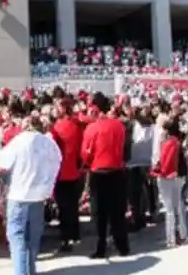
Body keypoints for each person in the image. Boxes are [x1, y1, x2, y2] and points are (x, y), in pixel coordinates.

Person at [0, 115, 62, 275]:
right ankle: (30, 268)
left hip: (19, 193)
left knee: (16, 235)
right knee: (34, 234)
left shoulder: (19, 141)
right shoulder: (48, 143)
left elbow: (2, 162)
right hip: (38, 194)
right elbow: (57, 160)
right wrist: (48, 183)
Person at [82, 93, 129, 259]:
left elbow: (85, 155)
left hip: (99, 173)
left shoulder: (92, 128)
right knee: (117, 212)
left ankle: (100, 247)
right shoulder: (119, 126)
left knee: (99, 214)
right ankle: (122, 245)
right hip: (117, 172)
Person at [49, 100, 85, 253]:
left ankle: (65, 239)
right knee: (73, 205)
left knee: (63, 208)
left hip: (60, 173)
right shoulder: (77, 126)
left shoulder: (56, 128)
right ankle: (74, 234)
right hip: (75, 171)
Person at [152, 115, 188, 248]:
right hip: (179, 176)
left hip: (165, 176)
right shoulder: (178, 141)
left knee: (169, 209)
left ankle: (171, 239)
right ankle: (183, 235)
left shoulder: (163, 141)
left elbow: (157, 159)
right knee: (179, 205)